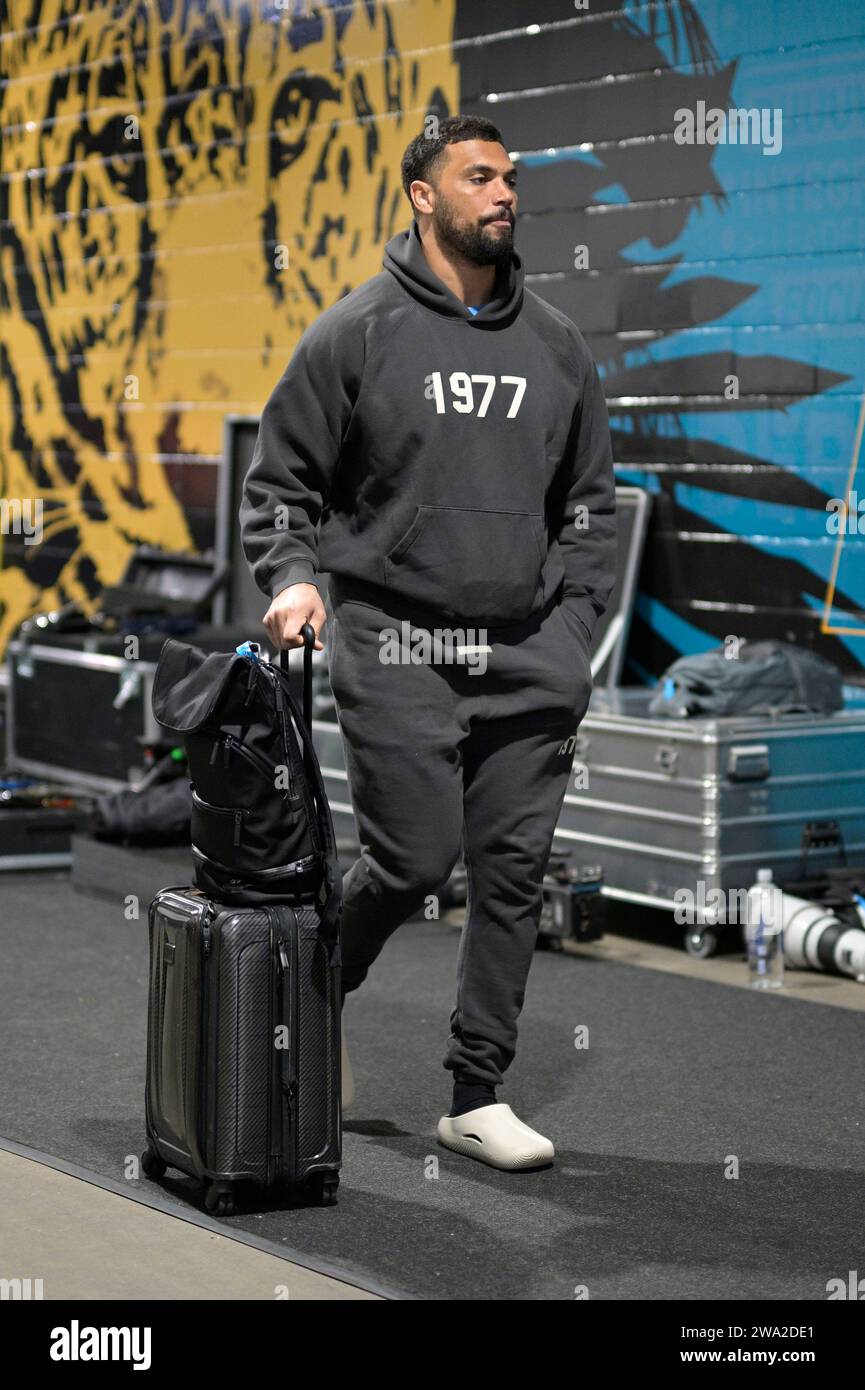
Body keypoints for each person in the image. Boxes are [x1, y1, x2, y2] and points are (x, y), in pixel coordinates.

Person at [239, 115, 617, 1172]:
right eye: (479, 175)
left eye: (511, 177)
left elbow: (590, 503)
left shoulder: (555, 344)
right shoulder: (355, 332)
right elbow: (282, 489)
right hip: (394, 633)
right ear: (421, 194)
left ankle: (474, 1092)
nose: (503, 193)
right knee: (412, 855)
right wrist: (299, 577)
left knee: (510, 871)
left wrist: (575, 629)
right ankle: (316, 998)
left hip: (529, 648)